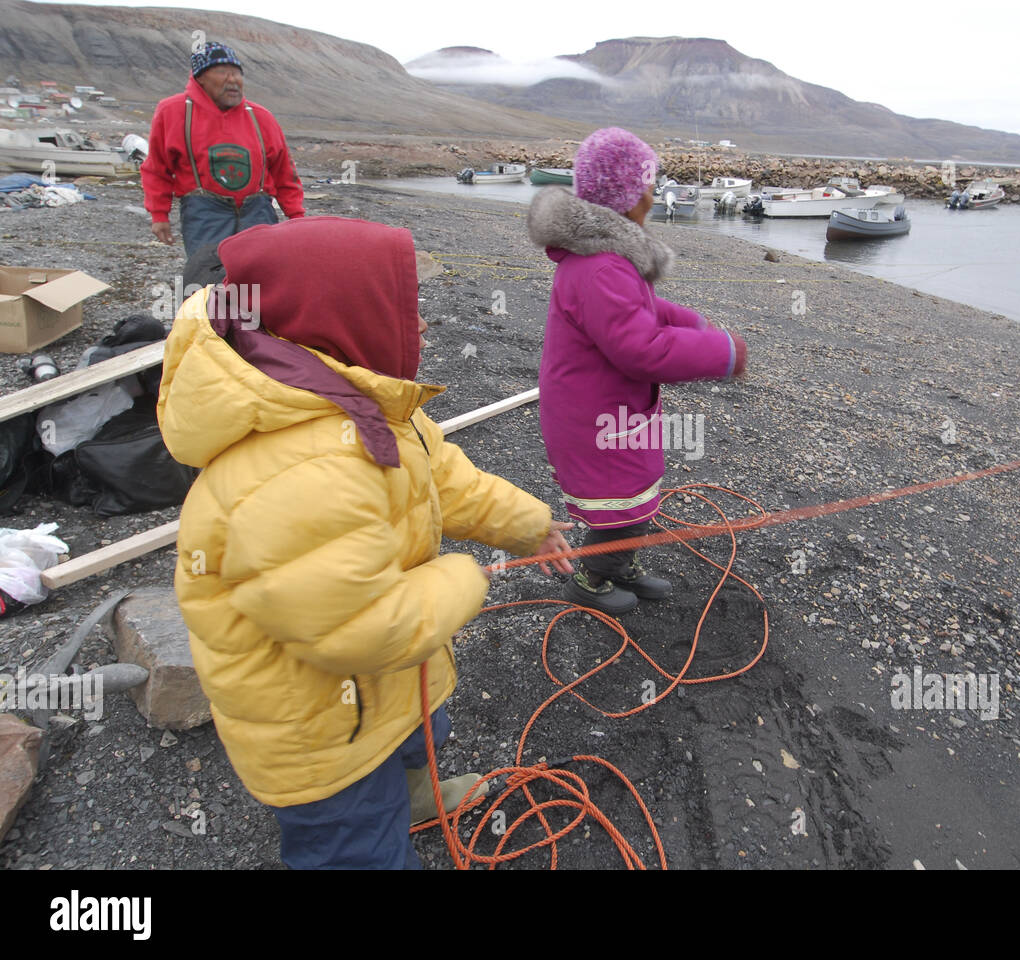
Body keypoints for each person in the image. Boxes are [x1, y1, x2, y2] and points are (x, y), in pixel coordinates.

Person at [156, 216, 573, 869]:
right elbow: (362, 629)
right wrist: (468, 577)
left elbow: (445, 479)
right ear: (344, 322)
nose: (425, 329)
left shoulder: (355, 401)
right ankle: (373, 825)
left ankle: (409, 794)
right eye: (406, 313)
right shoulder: (302, 467)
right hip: (322, 733)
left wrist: (526, 525)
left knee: (416, 733)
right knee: (352, 845)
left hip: (380, 688)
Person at [527, 127, 747, 616]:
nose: (654, 191)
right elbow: (640, 348)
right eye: (649, 182)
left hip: (615, 407)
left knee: (634, 493)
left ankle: (620, 567)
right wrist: (722, 353)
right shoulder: (602, 267)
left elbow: (643, 308)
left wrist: (689, 321)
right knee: (614, 503)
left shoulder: (608, 259)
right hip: (594, 417)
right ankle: (591, 576)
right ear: (627, 195)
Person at [141, 41, 305, 256]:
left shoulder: (260, 117)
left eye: (237, 72)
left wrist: (297, 217)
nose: (232, 80)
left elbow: (284, 171)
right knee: (210, 280)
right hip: (204, 216)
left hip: (258, 213)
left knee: (261, 280)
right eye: (222, 72)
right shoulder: (173, 112)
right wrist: (159, 215)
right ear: (199, 78)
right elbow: (157, 168)